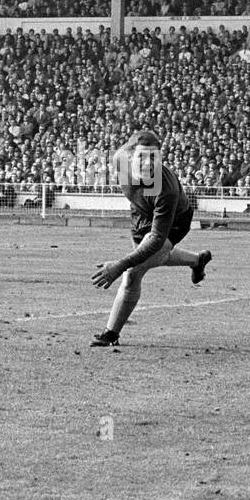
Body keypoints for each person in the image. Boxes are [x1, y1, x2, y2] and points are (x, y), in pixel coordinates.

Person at [89, 129, 212, 347]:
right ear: (129, 156)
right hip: (140, 215)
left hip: (173, 222)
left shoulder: (166, 189)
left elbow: (156, 239)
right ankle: (197, 260)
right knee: (149, 257)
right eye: (142, 156)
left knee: (133, 272)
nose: (148, 163)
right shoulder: (120, 161)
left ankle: (110, 333)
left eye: (154, 157)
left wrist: (119, 265)